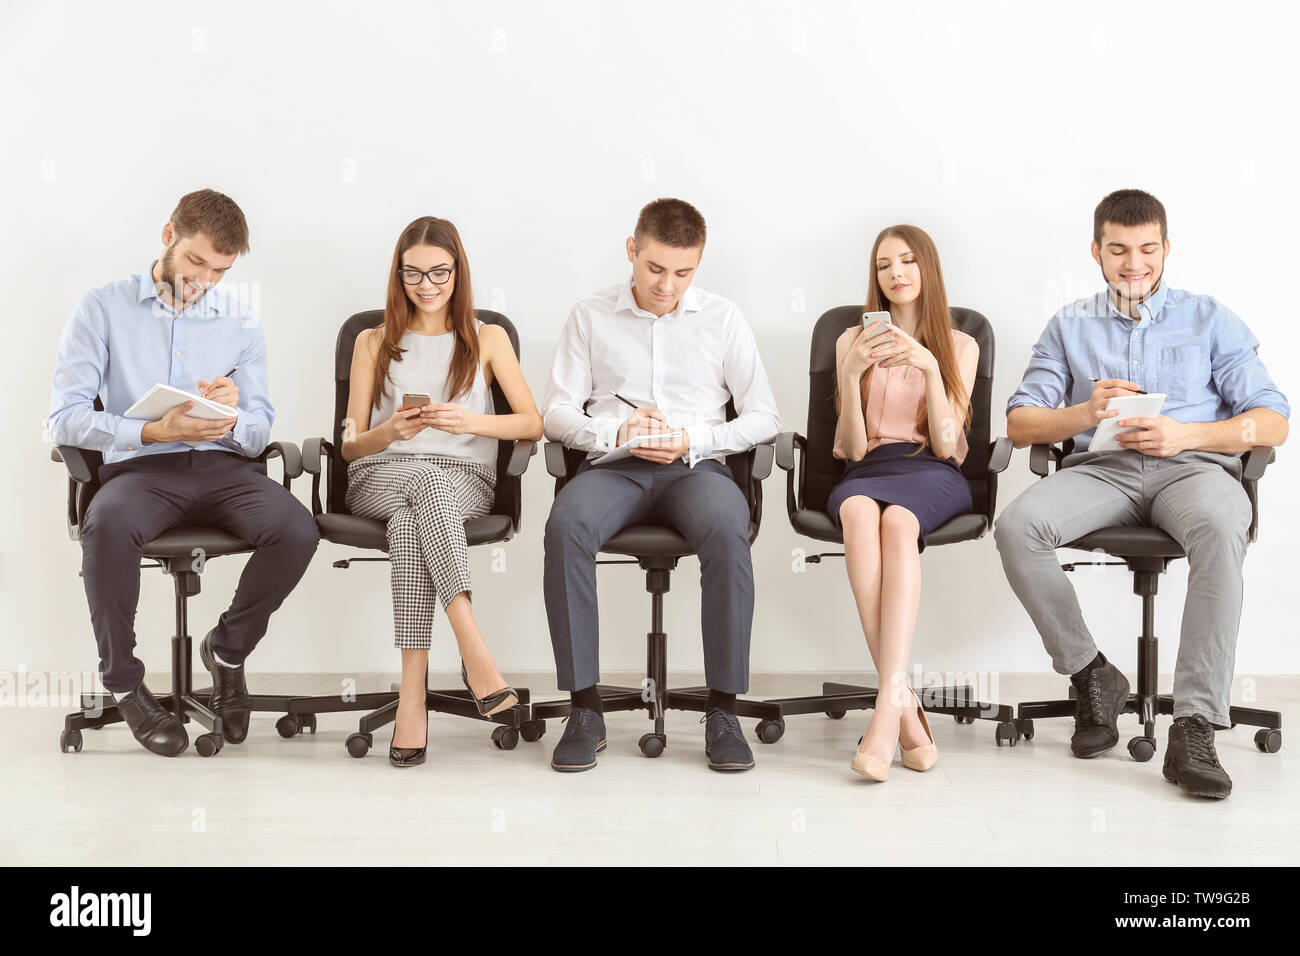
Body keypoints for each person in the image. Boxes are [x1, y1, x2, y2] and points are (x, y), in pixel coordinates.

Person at [995, 189, 1290, 799]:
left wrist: (1190, 433)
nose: (1135, 263)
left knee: (1219, 524)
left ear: (1166, 248)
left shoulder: (1210, 318)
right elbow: (1021, 423)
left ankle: (1194, 724)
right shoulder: (1069, 324)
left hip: (1194, 471)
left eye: (1148, 249)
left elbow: (1273, 421)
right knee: (1017, 526)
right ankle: (1092, 674)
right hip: (1103, 472)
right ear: (1097, 251)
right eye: (1120, 250)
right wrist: (1083, 412)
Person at [46, 188, 320, 756]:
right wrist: (150, 431)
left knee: (297, 529)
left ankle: (226, 650)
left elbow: (261, 427)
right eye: (197, 262)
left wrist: (233, 414)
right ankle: (123, 681)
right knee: (109, 526)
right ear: (168, 235)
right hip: (141, 471)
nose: (204, 281)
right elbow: (64, 420)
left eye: (220, 270)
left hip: (222, 468)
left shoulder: (239, 319)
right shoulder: (102, 309)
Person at [541, 198, 780, 773]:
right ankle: (585, 709)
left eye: (683, 272)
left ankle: (722, 710)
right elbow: (555, 414)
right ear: (632, 250)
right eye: (655, 269)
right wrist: (617, 429)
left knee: (727, 530)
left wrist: (692, 438)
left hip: (695, 468)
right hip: (615, 466)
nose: (667, 285)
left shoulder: (723, 319)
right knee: (566, 526)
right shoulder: (590, 315)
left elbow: (765, 417)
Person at [341, 216, 543, 767]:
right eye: (412, 274)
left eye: (439, 272)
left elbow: (532, 424)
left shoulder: (488, 338)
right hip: (382, 475)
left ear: (459, 271)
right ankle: (473, 648)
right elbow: (350, 446)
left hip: (464, 483)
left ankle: (413, 697)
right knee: (420, 487)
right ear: (397, 274)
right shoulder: (373, 341)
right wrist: (390, 432)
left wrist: (467, 423)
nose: (426, 285)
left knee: (414, 522)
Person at [827, 225, 978, 781]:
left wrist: (930, 366)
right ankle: (902, 705)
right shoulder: (851, 342)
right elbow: (854, 448)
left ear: (927, 270)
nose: (896, 273)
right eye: (884, 265)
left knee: (898, 522)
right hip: (870, 466)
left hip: (932, 472)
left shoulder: (962, 345)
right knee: (859, 510)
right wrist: (850, 372)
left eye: (908, 261)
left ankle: (886, 716)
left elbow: (945, 443)